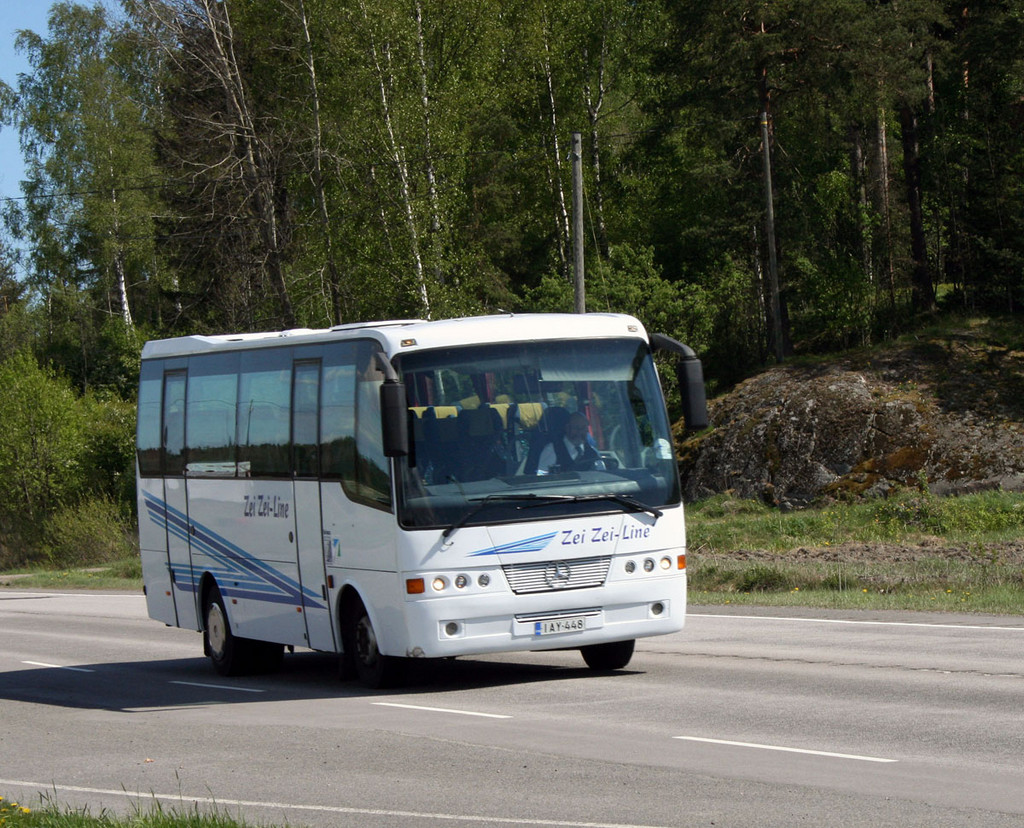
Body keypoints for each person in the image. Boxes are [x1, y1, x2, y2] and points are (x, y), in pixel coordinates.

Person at [536, 411, 603, 474]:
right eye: (576, 428)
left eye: (583, 428)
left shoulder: (593, 453)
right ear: (567, 428)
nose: (579, 432)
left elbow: (602, 475)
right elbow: (541, 476)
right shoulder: (552, 450)